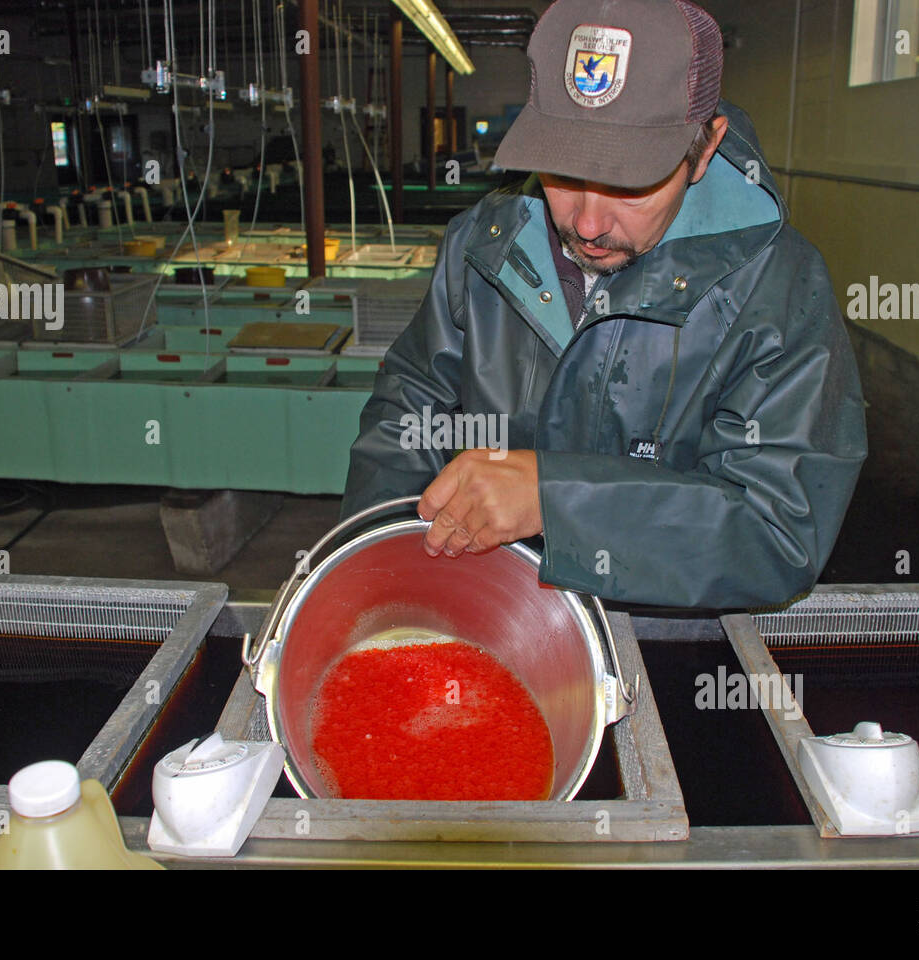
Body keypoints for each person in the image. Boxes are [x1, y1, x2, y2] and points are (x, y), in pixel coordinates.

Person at [342, 0, 867, 609]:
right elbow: (410, 404)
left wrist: (555, 500)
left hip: (663, 624)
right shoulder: (482, 245)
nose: (588, 222)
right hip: (496, 601)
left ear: (704, 148)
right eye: (562, 171)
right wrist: (379, 565)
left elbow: (776, 532)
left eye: (630, 182)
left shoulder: (778, 287)